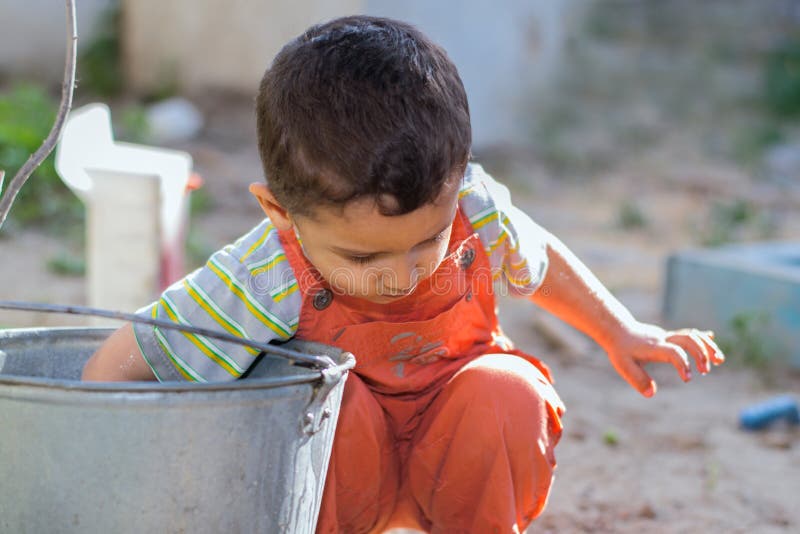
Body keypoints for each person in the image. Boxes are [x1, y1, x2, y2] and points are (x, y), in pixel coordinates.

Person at [82, 15, 725, 533]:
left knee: (507, 392)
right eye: (363, 258)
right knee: (326, 399)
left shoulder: (475, 208)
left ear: (459, 180)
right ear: (280, 213)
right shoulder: (264, 271)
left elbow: (541, 259)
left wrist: (619, 330)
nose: (401, 276)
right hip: (337, 481)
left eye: (427, 242)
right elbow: (134, 353)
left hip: (454, 453)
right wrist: (97, 438)